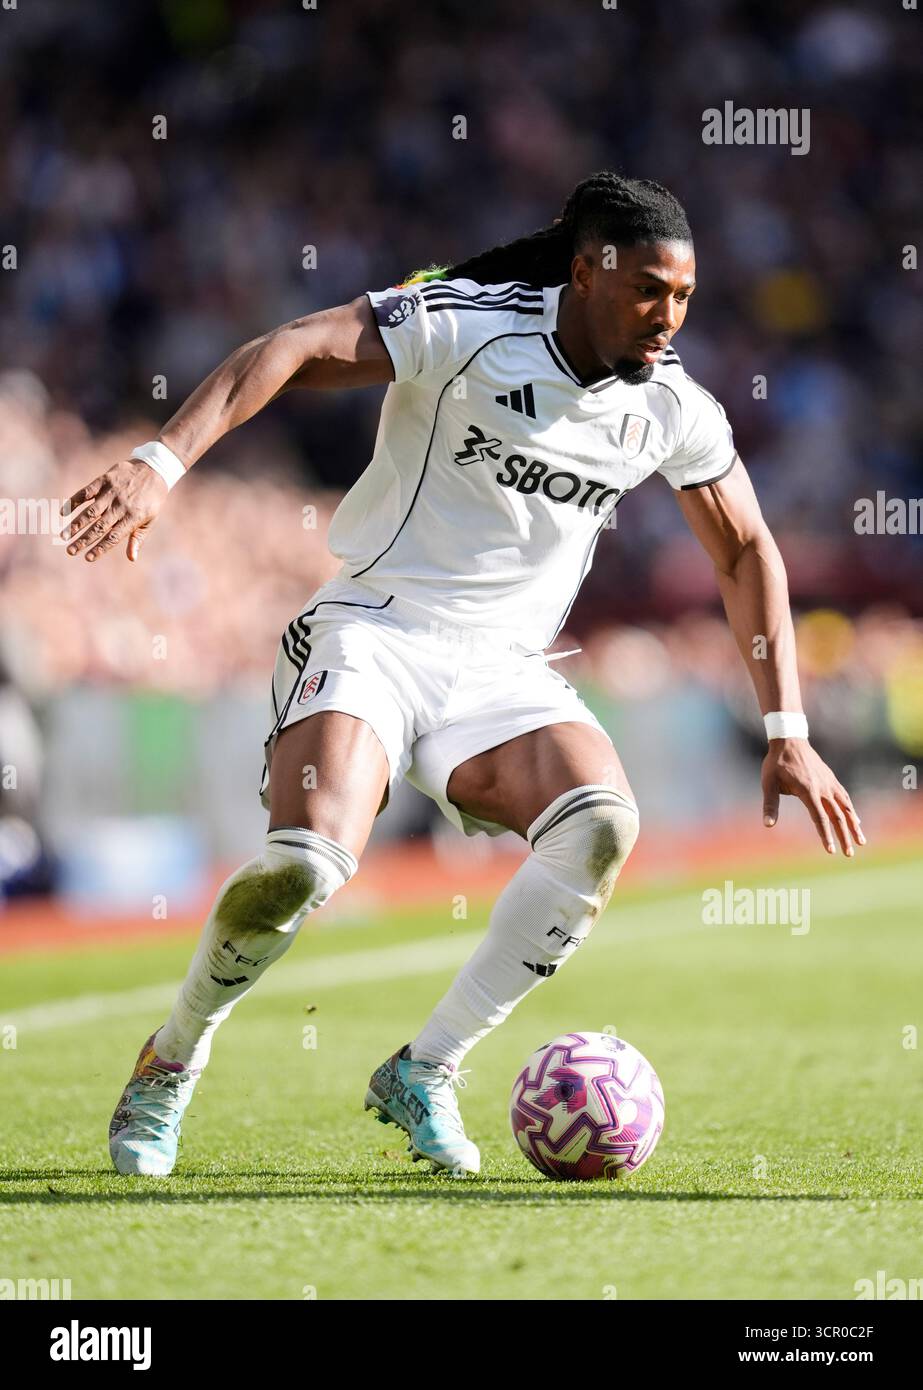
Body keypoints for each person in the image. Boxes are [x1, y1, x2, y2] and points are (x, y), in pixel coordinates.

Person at [64, 171, 864, 1178]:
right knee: (305, 867)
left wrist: (786, 730)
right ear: (585, 272)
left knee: (601, 827)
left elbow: (745, 550)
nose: (667, 317)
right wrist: (162, 461)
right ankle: (171, 1057)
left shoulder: (667, 406)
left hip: (500, 673)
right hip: (375, 632)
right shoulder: (463, 321)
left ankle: (424, 1067)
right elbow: (294, 346)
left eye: (684, 296)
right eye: (648, 291)